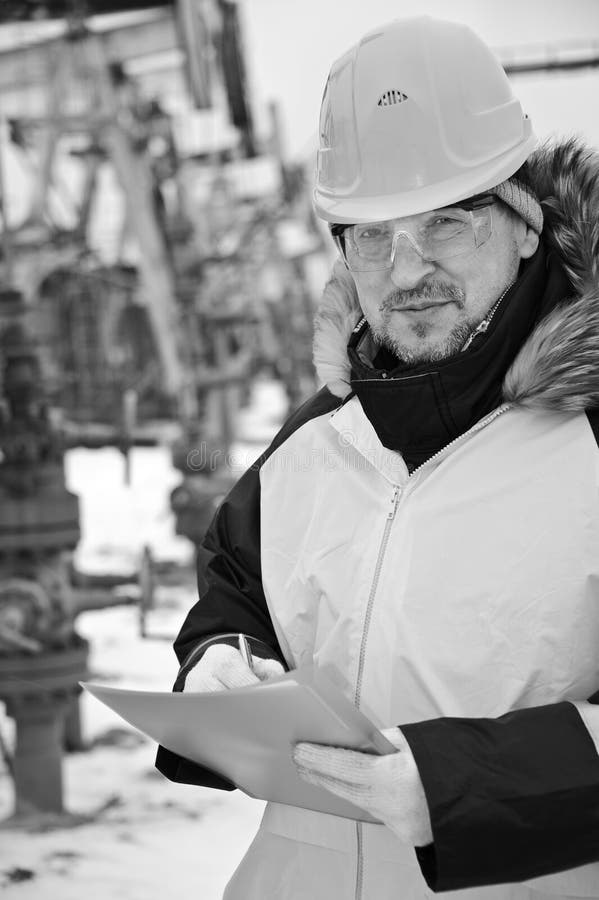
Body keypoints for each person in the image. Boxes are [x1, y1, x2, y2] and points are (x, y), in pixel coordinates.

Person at [156, 15, 599, 899]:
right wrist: (220, 658)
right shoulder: (312, 441)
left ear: (526, 226)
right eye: (370, 234)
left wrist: (465, 786)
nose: (405, 271)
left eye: (447, 222)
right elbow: (237, 589)